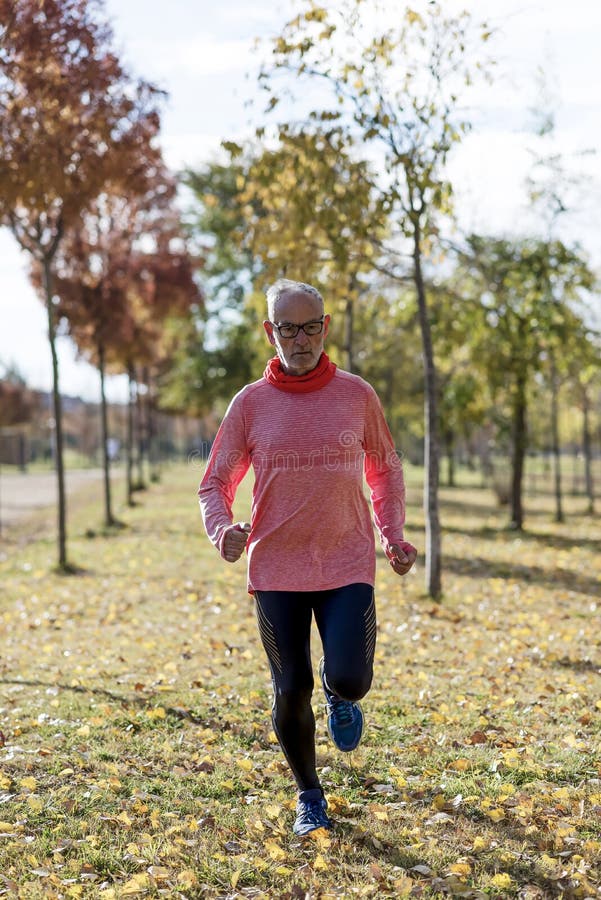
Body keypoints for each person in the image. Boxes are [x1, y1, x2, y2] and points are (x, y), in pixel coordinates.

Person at [198, 279, 417, 836]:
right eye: (288, 328)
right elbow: (215, 483)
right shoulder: (250, 404)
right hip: (276, 567)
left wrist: (391, 533)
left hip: (346, 562)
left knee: (350, 679)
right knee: (287, 687)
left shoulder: (357, 395)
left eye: (311, 326)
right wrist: (222, 529)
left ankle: (338, 692)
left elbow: (384, 469)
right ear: (270, 332)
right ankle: (309, 794)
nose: (301, 339)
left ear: (325, 327)